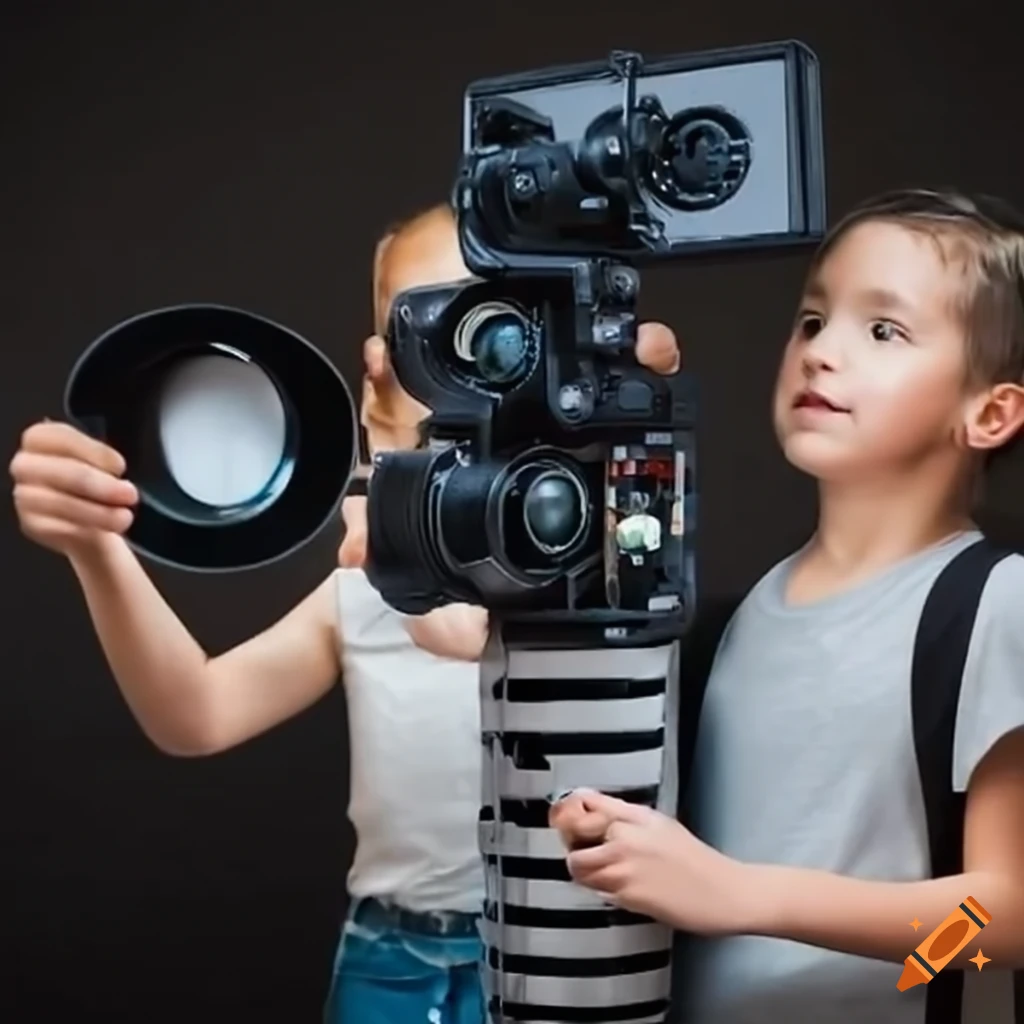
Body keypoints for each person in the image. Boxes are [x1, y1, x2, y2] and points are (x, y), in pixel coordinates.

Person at [8, 200, 681, 1024]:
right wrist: (97, 544)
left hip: (563, 952)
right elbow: (196, 714)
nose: (468, 359)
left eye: (497, 325)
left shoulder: (611, 555)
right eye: (428, 327)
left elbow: (461, 629)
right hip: (388, 956)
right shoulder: (358, 584)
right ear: (379, 370)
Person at [548, 188, 1024, 1024]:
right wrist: (619, 838)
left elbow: (1004, 920)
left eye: (884, 330)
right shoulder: (734, 623)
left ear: (990, 413)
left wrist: (748, 898)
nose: (821, 352)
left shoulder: (997, 602)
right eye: (812, 320)